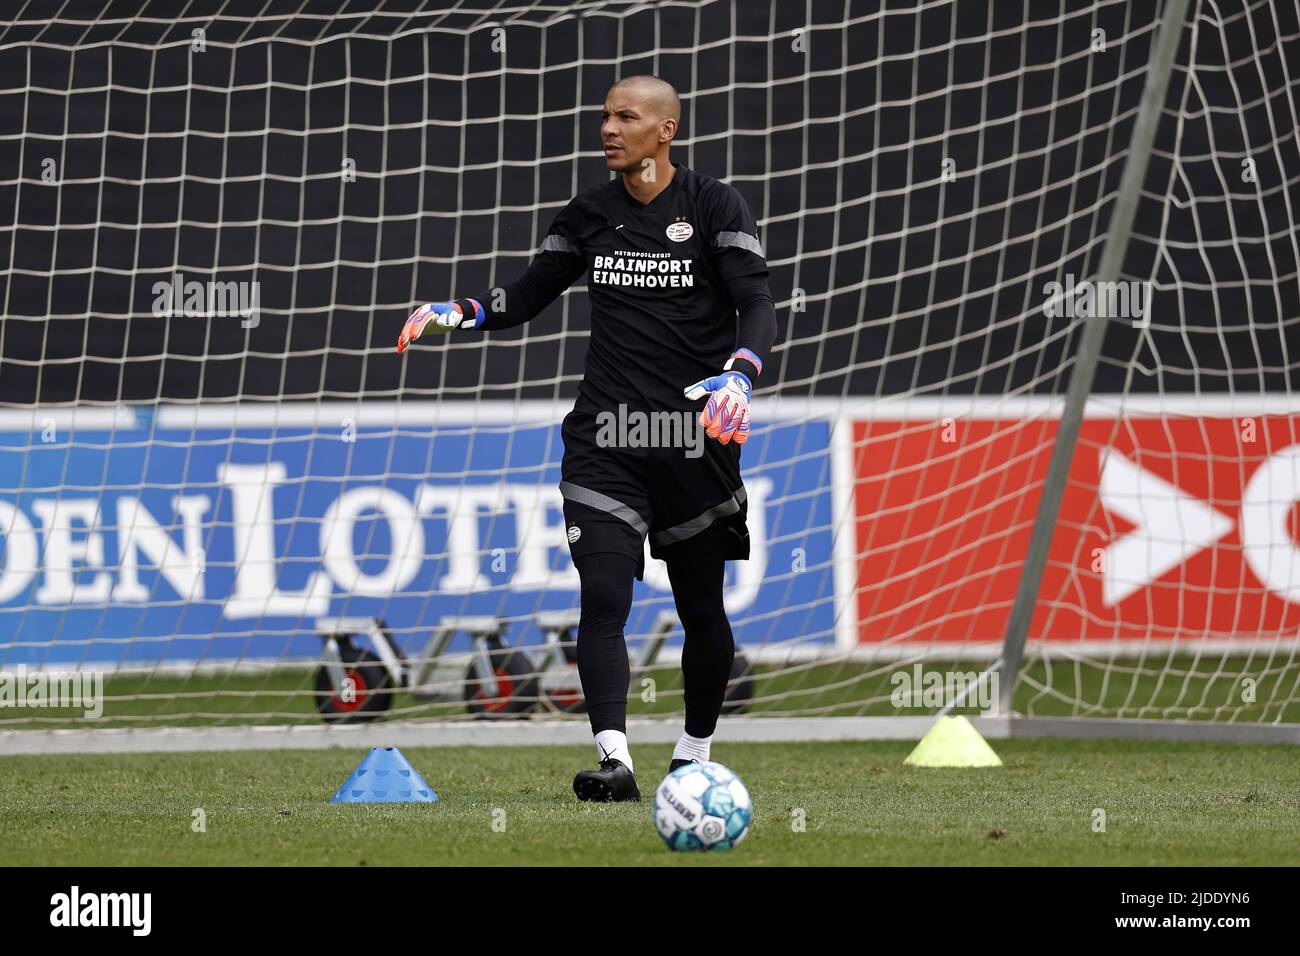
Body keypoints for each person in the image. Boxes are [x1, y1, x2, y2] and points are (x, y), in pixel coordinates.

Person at [397, 75, 778, 802]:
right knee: (604, 592)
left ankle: (694, 754)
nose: (608, 127)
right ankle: (616, 760)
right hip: (604, 438)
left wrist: (741, 374)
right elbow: (527, 294)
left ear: (664, 130)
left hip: (692, 441)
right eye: (605, 115)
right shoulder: (590, 214)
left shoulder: (712, 205)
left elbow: (755, 301)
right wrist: (458, 312)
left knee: (702, 610)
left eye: (625, 117)